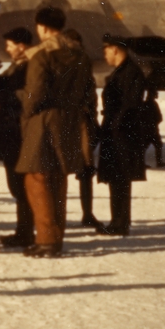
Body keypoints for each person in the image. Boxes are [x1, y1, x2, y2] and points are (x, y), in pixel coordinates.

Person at [15, 6, 96, 257]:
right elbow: (87, 91)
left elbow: (34, 93)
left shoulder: (42, 55)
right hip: (70, 121)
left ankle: (47, 240)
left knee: (36, 179)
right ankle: (56, 236)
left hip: (43, 121)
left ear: (42, 27)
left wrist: (25, 111)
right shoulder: (80, 55)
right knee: (58, 179)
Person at [0, 27, 35, 248]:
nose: (7, 49)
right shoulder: (17, 66)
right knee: (17, 185)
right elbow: (3, 90)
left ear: (21, 46)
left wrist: (1, 92)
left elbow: (17, 96)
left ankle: (25, 231)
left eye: (10, 45)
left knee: (20, 186)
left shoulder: (28, 67)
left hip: (16, 132)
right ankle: (23, 230)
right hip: (11, 132)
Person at [98, 34, 148, 235]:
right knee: (116, 179)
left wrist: (115, 125)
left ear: (115, 50)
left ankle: (120, 223)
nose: (104, 55)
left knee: (120, 179)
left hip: (123, 135)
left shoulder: (131, 73)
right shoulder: (122, 72)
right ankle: (117, 221)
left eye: (106, 50)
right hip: (115, 132)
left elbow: (131, 104)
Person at [61, 28, 104, 231]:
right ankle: (86, 213)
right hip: (81, 122)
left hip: (74, 122)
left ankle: (72, 214)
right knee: (84, 171)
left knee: (63, 170)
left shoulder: (71, 61)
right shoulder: (83, 62)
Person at [139, 86, 165, 168]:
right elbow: (159, 117)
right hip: (153, 129)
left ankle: (141, 163)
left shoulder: (144, 104)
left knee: (144, 146)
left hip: (145, 129)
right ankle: (159, 162)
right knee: (158, 145)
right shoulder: (154, 104)